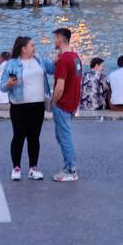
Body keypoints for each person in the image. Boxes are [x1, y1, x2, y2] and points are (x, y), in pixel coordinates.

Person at [0, 35, 52, 180]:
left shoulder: (39, 60)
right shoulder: (12, 64)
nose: (34, 48)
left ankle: (33, 168)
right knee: (18, 136)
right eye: (32, 46)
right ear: (23, 49)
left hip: (38, 105)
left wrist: (63, 55)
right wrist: (8, 84)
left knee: (34, 137)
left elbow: (53, 69)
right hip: (19, 105)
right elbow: (2, 87)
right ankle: (16, 167)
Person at [51, 27, 82, 181]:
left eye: (55, 38)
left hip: (62, 104)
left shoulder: (64, 60)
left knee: (64, 136)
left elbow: (60, 86)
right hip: (72, 102)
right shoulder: (75, 57)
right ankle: (69, 166)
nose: (54, 41)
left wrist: (53, 102)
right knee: (62, 135)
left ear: (61, 39)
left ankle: (70, 169)